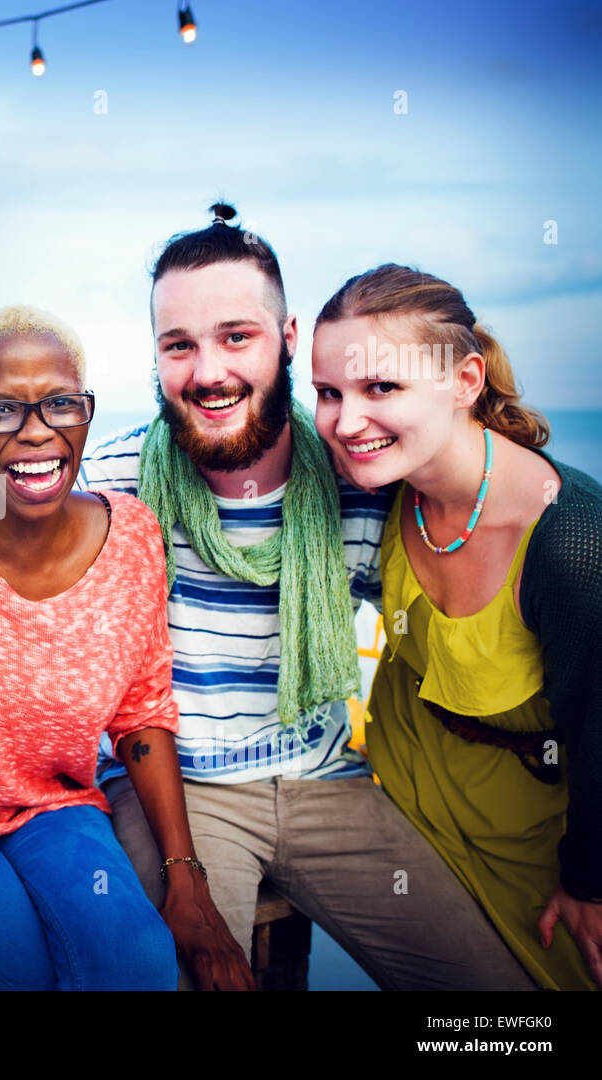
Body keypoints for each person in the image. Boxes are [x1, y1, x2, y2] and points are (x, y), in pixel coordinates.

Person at [0, 206, 537, 990]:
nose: (208, 370)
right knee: (164, 973)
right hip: (181, 797)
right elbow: (16, 481)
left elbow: (471, 565)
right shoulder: (114, 490)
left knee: (500, 1003)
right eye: (179, 345)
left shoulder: (362, 483)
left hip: (329, 782)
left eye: (237, 336)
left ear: (288, 339)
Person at [0, 304, 250, 990]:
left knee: (139, 964)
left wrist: (185, 880)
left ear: (87, 413)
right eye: (1, 412)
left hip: (57, 809)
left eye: (59, 405)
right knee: (22, 972)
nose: (36, 432)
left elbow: (142, 713)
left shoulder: (131, 534)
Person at [310, 263, 602, 990]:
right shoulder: (385, 489)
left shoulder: (569, 543)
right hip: (398, 812)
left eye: (382, 388)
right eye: (327, 392)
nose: (347, 423)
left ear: (467, 381)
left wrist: (590, 882)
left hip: (541, 848)